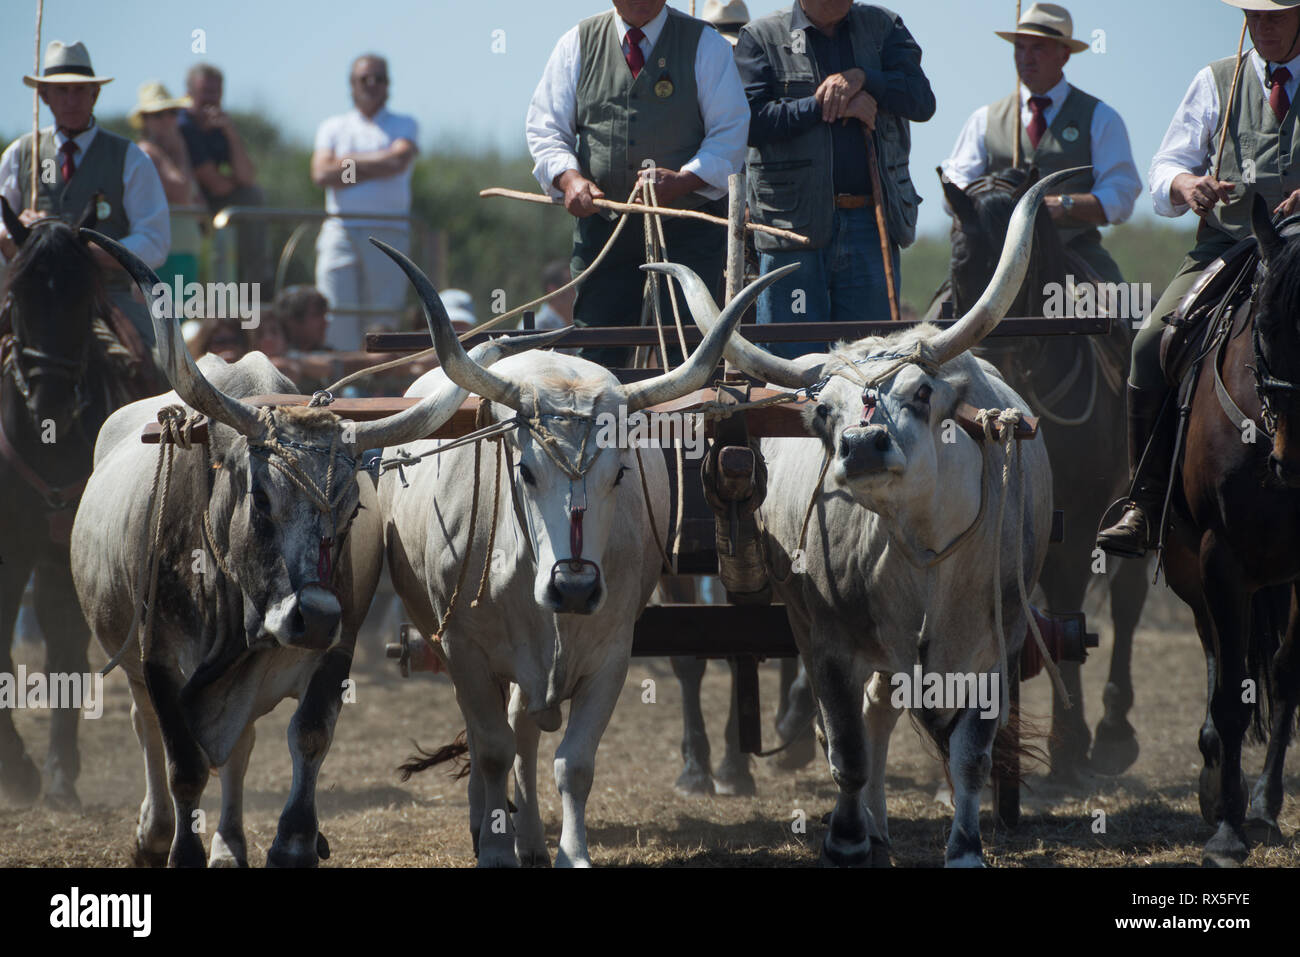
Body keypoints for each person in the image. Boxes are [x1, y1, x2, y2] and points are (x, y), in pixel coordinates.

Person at [1097, 0, 1300, 556]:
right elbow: (1164, 166)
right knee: (1145, 345)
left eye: (1277, 16)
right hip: (1226, 246)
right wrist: (1187, 186)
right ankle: (1144, 501)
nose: (1264, 28)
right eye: (1254, 18)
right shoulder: (1216, 81)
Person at [526, 0, 749, 369]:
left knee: (689, 352)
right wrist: (570, 179)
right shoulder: (578, 43)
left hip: (688, 227)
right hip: (604, 230)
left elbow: (730, 131)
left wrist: (683, 179)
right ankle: (602, 426)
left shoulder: (704, 44)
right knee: (597, 351)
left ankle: (688, 425)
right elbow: (545, 128)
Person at [736, 1, 935, 359]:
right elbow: (749, 122)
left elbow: (921, 100)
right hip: (793, 230)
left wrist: (865, 78)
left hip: (869, 225)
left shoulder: (884, 27)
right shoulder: (761, 37)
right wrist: (822, 105)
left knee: (871, 361)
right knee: (793, 364)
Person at [941, 3, 1141, 285]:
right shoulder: (983, 119)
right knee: (940, 316)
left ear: (1065, 54)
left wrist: (1065, 205)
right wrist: (988, 206)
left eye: (1038, 48)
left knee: (1126, 312)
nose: (1026, 59)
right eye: (1019, 48)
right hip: (993, 255)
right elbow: (955, 183)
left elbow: (1121, 194)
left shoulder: (1101, 117)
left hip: (1074, 250)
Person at [0, 41, 169, 350]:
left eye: (80, 90)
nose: (71, 100)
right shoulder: (20, 154)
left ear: (95, 93)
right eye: (62, 91)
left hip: (107, 298)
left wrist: (87, 253)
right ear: (44, 96)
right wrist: (16, 237)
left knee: (155, 366)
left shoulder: (129, 157)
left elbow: (154, 240)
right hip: (33, 297)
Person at [310, 53, 419, 351]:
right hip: (340, 230)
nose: (372, 84)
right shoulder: (332, 127)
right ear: (351, 84)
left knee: (383, 322)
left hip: (389, 232)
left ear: (388, 84)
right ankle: (340, 389)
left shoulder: (404, 123)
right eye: (364, 78)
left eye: (379, 78)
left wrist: (344, 165)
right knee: (336, 316)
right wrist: (379, 163)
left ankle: (378, 392)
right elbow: (321, 173)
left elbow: (397, 162)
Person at [179, 63, 265, 283]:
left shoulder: (220, 126)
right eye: (205, 92)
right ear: (189, 93)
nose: (211, 99)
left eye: (216, 92)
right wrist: (231, 180)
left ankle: (256, 283)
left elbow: (247, 177)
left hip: (210, 205)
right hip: (183, 204)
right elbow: (217, 184)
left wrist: (230, 132)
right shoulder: (183, 124)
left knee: (252, 196)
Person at [131, 81, 202, 289]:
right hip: (165, 256)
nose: (168, 120)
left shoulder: (169, 153)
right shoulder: (147, 152)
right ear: (145, 120)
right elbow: (181, 192)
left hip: (183, 252)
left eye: (172, 112)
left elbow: (195, 200)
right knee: (168, 318)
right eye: (158, 114)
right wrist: (181, 150)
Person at [273, 285, 331, 353]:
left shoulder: (329, 354)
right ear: (293, 321)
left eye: (323, 315)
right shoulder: (269, 356)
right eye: (317, 315)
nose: (324, 322)